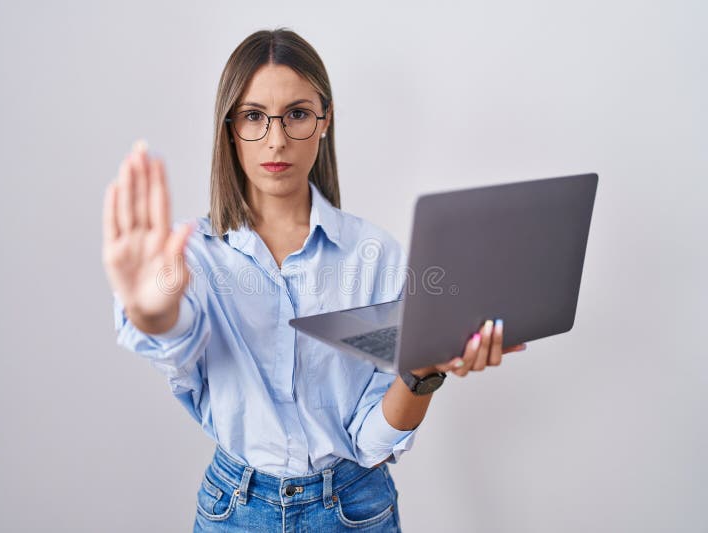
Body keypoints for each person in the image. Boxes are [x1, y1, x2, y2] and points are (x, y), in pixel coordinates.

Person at [101, 28, 527, 532]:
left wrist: (421, 371)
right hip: (235, 511)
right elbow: (176, 337)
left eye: (297, 114)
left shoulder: (377, 257)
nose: (276, 139)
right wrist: (153, 314)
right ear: (229, 127)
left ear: (324, 121)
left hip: (355, 509)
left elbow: (372, 439)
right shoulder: (189, 253)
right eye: (255, 117)